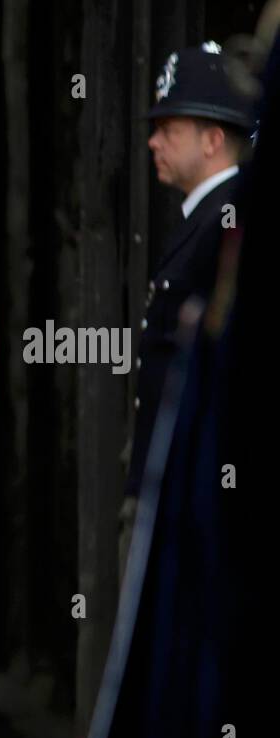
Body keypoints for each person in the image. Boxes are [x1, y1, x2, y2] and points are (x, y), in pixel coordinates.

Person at [119, 41, 253, 568]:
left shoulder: (228, 223)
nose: (153, 142)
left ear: (214, 138)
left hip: (191, 485)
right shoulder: (209, 218)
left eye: (168, 129)